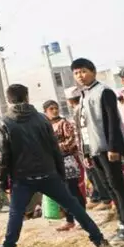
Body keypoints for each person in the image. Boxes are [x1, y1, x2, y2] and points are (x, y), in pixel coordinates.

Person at [0, 85, 108, 247]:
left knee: (16, 214)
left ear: (8, 99)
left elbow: (3, 156)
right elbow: (55, 149)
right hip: (48, 173)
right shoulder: (42, 119)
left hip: (22, 177)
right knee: (74, 206)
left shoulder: (4, 122)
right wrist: (60, 173)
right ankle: (99, 240)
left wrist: (2, 181)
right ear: (27, 97)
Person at [72, 58, 124, 242]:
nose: (80, 76)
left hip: (107, 149)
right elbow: (84, 127)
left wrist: (114, 147)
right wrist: (86, 152)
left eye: (83, 71)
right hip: (94, 150)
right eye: (76, 73)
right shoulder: (84, 95)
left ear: (93, 71)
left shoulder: (104, 92)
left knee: (118, 186)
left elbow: (113, 121)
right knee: (109, 187)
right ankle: (122, 220)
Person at [44, 98, 85, 231]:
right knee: (62, 193)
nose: (55, 110)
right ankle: (69, 220)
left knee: (73, 191)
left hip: (67, 160)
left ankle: (82, 219)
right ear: (45, 112)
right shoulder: (45, 126)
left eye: (56, 108)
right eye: (51, 109)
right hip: (53, 163)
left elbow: (71, 141)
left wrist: (55, 148)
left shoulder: (64, 123)